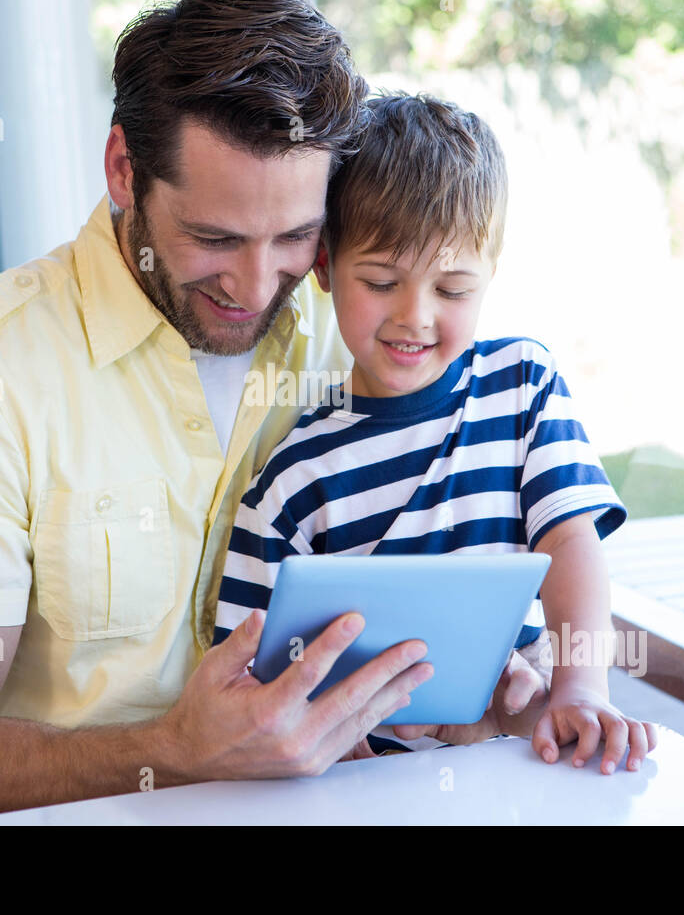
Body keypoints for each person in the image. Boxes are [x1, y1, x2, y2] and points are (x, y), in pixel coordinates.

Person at [0, 0, 439, 826]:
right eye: (214, 238)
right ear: (125, 170)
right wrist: (172, 752)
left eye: (295, 236)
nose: (256, 286)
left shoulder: (351, 336)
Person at [212, 93, 659, 771]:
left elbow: (572, 541)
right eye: (380, 282)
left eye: (451, 290)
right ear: (325, 267)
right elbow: (246, 676)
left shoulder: (524, 387)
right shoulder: (291, 482)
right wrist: (343, 738)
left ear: (490, 274)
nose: (415, 316)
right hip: (366, 787)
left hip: (520, 762)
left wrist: (580, 689)